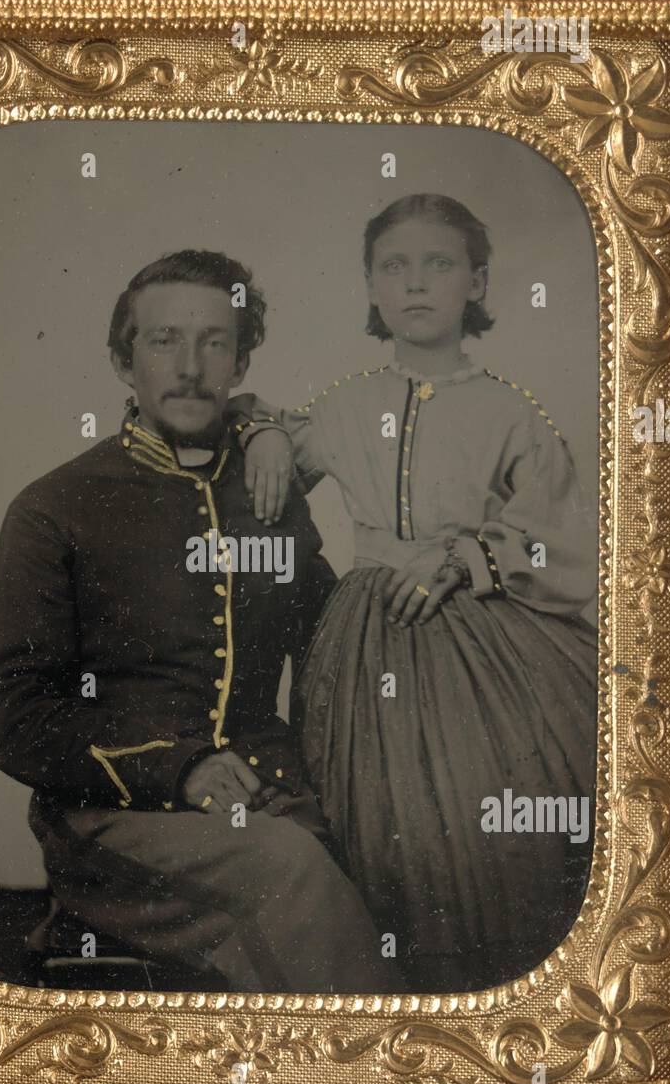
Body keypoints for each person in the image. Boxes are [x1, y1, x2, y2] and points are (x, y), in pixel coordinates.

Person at [0, 250, 403, 994]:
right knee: (290, 870)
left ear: (240, 364)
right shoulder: (54, 508)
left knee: (417, 850)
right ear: (121, 359)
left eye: (215, 342)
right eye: (164, 340)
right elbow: (9, 714)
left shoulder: (265, 493)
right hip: (116, 816)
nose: (191, 366)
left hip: (272, 791)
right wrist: (180, 767)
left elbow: (332, 643)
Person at [235, 195, 597, 990]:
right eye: (393, 267)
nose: (415, 284)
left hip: (493, 640)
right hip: (368, 641)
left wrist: (466, 556)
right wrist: (263, 433)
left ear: (476, 281)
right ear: (370, 287)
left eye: (439, 263)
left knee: (487, 804)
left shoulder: (512, 412)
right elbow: (268, 438)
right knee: (383, 815)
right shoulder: (345, 404)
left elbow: (562, 540)